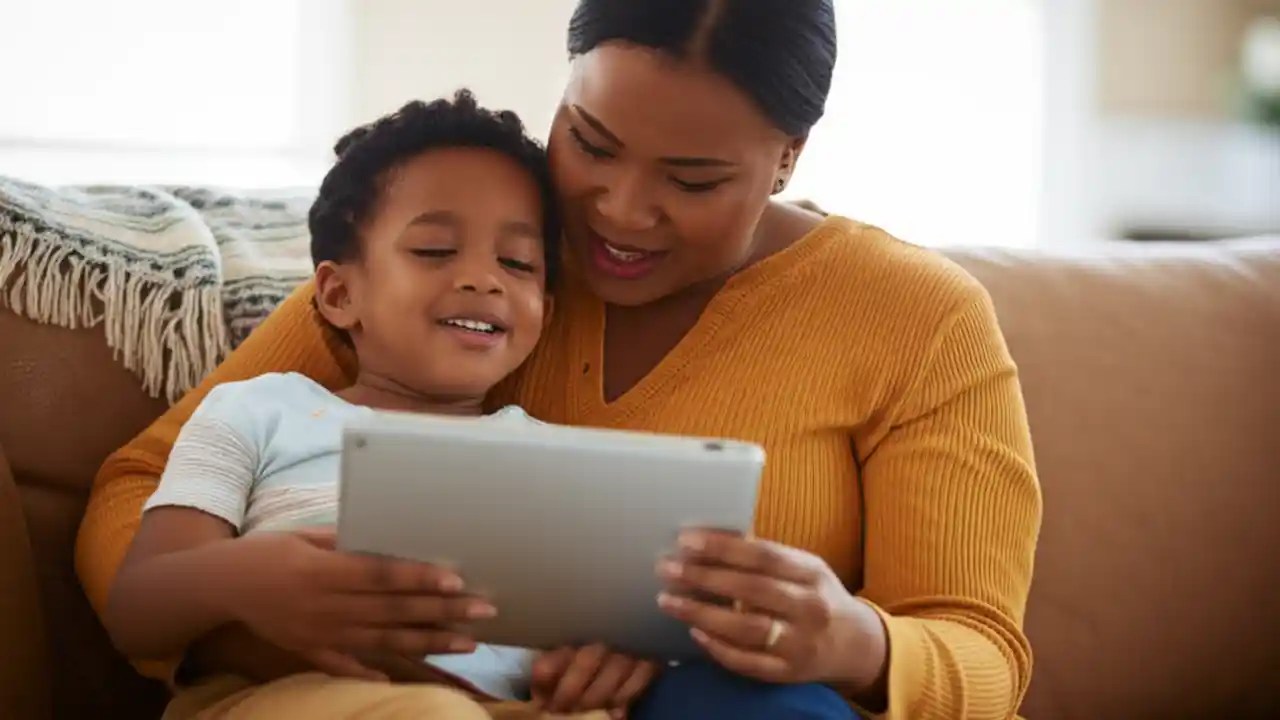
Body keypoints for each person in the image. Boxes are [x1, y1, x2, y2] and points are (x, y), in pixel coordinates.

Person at [78, 1, 1042, 718]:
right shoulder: (478, 240)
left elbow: (982, 651)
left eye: (694, 179)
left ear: (787, 156)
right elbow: (142, 489)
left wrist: (849, 640)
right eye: (591, 142)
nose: (620, 212)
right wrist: (276, 628)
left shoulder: (918, 319)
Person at [101, 91, 658, 718]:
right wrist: (244, 577)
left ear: (544, 314)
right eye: (434, 251)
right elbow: (136, 610)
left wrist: (609, 654)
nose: (484, 278)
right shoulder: (258, 412)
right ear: (339, 294)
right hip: (279, 695)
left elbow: (595, 618)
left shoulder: (555, 456)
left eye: (518, 262)